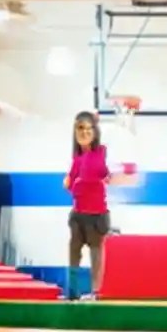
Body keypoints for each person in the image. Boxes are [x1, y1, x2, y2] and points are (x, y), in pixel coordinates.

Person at [63, 111, 111, 301]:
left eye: (88, 129)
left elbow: (98, 170)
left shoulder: (100, 152)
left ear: (95, 131)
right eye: (80, 129)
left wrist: (77, 182)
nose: (84, 132)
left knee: (95, 252)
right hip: (78, 213)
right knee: (74, 251)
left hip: (96, 214)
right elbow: (72, 183)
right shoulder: (76, 158)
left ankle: (95, 292)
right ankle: (72, 291)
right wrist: (70, 182)